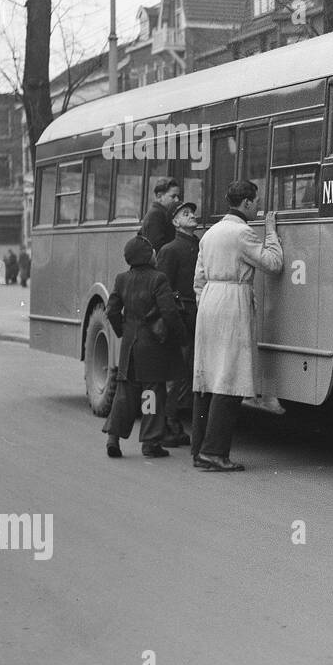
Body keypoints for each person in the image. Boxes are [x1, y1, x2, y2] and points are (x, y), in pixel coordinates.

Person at [191, 180, 283, 472]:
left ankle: (199, 450)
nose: (257, 207)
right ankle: (215, 453)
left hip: (208, 301)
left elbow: (198, 279)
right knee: (228, 378)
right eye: (256, 202)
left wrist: (206, 303)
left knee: (207, 378)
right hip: (233, 300)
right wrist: (271, 232)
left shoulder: (210, 233)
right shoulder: (242, 232)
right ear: (245, 203)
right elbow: (273, 263)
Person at [103, 235, 186, 459]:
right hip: (152, 349)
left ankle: (113, 437)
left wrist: (123, 331)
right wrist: (181, 336)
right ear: (146, 255)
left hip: (129, 346)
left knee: (125, 394)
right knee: (151, 393)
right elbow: (168, 312)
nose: (155, 254)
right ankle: (150, 443)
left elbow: (111, 311)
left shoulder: (122, 279)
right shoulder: (158, 279)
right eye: (152, 251)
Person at [156, 201, 201, 447]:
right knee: (175, 373)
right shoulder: (170, 250)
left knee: (188, 371)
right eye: (186, 214)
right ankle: (168, 423)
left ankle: (174, 421)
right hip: (180, 317)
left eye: (192, 212)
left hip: (195, 315)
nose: (192, 215)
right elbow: (162, 291)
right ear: (175, 222)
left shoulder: (199, 245)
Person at [140, 178, 181, 252]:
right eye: (173, 196)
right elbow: (156, 247)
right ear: (159, 196)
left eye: (177, 196)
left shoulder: (161, 213)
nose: (177, 200)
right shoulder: (156, 215)